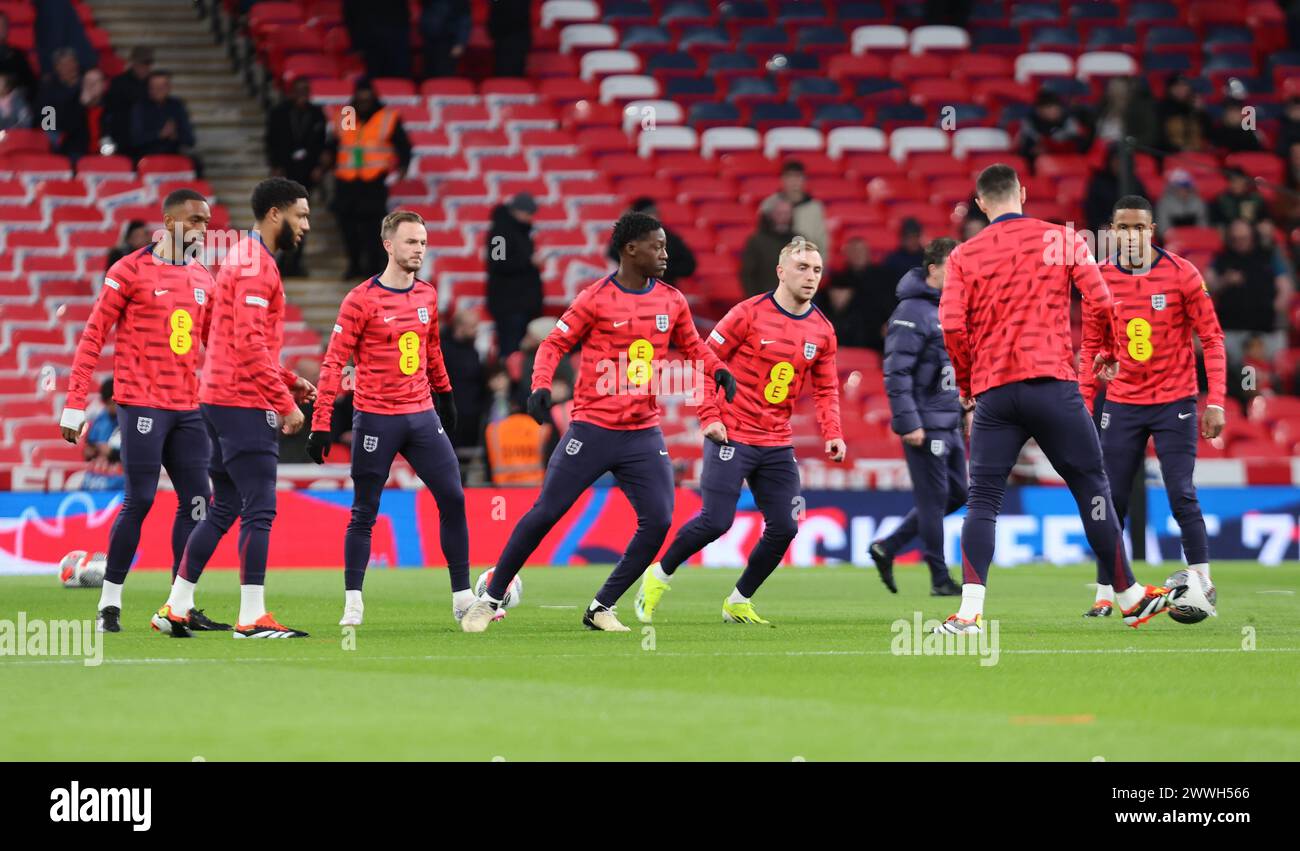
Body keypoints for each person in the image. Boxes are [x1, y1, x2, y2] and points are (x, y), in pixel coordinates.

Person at [458, 211, 737, 633]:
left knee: (660, 519)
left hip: (643, 431)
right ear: (630, 250)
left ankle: (602, 606)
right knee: (547, 511)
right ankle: (491, 597)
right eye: (657, 246)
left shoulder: (671, 300)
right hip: (592, 428)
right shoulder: (595, 297)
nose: (665, 254)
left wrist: (717, 369)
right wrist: (540, 386)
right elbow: (553, 344)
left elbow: (694, 347)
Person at [936, 163, 1176, 634]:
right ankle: (1127, 595)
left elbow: (951, 326)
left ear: (981, 203)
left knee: (983, 501)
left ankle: (969, 613)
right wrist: (1107, 350)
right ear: (1022, 193)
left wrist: (967, 385)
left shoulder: (964, 255)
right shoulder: (1063, 239)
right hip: (1054, 384)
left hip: (995, 394)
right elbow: (1104, 301)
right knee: (1093, 489)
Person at [634, 238, 845, 625]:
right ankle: (657, 575)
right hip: (731, 432)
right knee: (716, 521)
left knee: (785, 526)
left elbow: (827, 387)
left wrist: (833, 431)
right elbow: (704, 362)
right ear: (780, 271)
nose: (811, 276)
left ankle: (738, 600)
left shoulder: (823, 330)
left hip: (777, 440)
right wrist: (708, 416)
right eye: (802, 268)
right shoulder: (747, 314)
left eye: (816, 269)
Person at [57, 189, 222, 635]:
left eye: (207, 222)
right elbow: (93, 337)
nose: (203, 230)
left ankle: (178, 604)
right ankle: (109, 603)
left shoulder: (205, 279)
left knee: (198, 502)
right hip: (142, 402)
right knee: (142, 499)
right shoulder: (128, 270)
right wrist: (75, 403)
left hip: (187, 407)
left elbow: (223, 345)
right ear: (169, 222)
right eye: (195, 220)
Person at [162, 178, 317, 639]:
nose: (306, 225)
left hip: (218, 396)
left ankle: (176, 602)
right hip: (241, 401)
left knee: (224, 506)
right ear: (275, 214)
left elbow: (220, 332)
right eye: (301, 215)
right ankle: (252, 616)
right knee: (259, 509)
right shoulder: (255, 265)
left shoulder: (240, 258)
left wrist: (288, 378)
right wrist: (284, 402)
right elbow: (247, 342)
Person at [305, 210, 468, 626]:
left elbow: (432, 351)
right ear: (388, 245)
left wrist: (445, 394)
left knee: (453, 497)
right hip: (376, 417)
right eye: (411, 242)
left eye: (424, 242)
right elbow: (333, 362)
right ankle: (354, 601)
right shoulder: (361, 299)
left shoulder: (428, 295)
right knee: (365, 510)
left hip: (421, 414)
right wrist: (321, 421)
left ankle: (463, 597)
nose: (419, 250)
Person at [1078, 195, 1225, 619]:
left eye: (1139, 227)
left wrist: (1215, 400)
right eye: (1123, 227)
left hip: (1174, 401)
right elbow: (1091, 346)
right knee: (1111, 500)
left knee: (1181, 493)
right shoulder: (1099, 278)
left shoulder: (1182, 273)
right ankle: (1107, 593)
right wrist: (1086, 406)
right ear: (1112, 230)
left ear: (1151, 231)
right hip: (1122, 403)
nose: (1131, 235)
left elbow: (1212, 339)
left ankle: (1203, 582)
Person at [869, 238, 966, 597]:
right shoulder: (911, 312)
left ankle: (889, 546)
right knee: (933, 498)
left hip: (948, 419)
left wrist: (964, 408)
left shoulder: (949, 308)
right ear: (933, 270)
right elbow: (897, 372)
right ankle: (940, 579)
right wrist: (909, 422)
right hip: (925, 423)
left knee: (957, 494)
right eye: (953, 267)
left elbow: (951, 367)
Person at [328, 80, 411, 278]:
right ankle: (354, 265)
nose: (364, 102)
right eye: (360, 98)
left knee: (373, 228)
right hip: (346, 181)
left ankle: (373, 267)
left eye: (367, 98)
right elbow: (335, 142)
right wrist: (327, 161)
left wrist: (403, 166)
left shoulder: (387, 117)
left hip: (373, 181)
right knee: (347, 227)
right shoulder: (346, 115)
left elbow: (404, 145)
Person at [1210, 219, 1291, 364]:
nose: (1239, 242)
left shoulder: (1268, 256)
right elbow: (1207, 285)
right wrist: (1225, 281)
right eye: (1234, 239)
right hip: (1232, 328)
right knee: (1245, 375)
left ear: (1253, 237)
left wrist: (1277, 306)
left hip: (1266, 328)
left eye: (1243, 238)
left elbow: (1285, 286)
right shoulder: (1222, 258)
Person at [486, 192, 544, 356]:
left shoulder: (521, 232)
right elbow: (498, 264)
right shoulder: (499, 233)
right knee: (510, 349)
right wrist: (528, 262)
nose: (530, 218)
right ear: (517, 211)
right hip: (509, 304)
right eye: (528, 213)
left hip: (521, 303)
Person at [820, 236, 895, 350]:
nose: (858, 254)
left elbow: (893, 304)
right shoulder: (839, 279)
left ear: (868, 253)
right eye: (854, 251)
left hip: (878, 333)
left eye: (861, 250)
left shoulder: (884, 277)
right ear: (847, 255)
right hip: (849, 334)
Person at [605, 197, 697, 284]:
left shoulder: (670, 238)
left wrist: (660, 268)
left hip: (662, 291)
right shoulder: (627, 237)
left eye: (654, 214)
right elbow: (613, 255)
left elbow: (689, 266)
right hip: (632, 289)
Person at [763, 161, 829, 260]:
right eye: (790, 177)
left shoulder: (815, 208)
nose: (794, 182)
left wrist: (819, 267)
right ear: (783, 179)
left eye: (798, 177)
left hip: (806, 263)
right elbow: (761, 239)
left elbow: (822, 241)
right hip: (775, 263)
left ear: (804, 180)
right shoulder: (770, 204)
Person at [440, 307, 486, 449]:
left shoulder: (473, 351)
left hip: (470, 416)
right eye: (473, 327)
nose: (476, 330)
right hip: (448, 415)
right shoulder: (441, 350)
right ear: (460, 327)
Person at [130, 70, 196, 160]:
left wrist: (176, 135)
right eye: (153, 87)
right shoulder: (140, 107)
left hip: (173, 155)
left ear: (168, 88)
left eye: (161, 87)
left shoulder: (177, 106)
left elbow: (190, 139)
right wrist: (160, 134)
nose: (156, 91)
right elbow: (135, 140)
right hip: (147, 156)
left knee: (195, 163)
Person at [1083, 145, 1149, 234]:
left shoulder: (1134, 183)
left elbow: (1145, 207)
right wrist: (1100, 226)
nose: (1119, 164)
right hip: (1106, 229)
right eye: (1116, 160)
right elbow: (1091, 211)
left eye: (1123, 162)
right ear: (1109, 161)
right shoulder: (1098, 183)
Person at [104, 45, 153, 155]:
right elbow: (109, 111)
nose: (143, 67)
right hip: (123, 138)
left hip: (149, 140)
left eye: (147, 64)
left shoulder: (153, 83)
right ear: (133, 63)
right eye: (141, 63)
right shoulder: (118, 83)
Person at [1016, 89, 1089, 162]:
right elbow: (1025, 150)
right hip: (1038, 164)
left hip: (1066, 162)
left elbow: (1079, 146)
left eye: (1057, 107)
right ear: (1039, 110)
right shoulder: (1030, 123)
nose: (1054, 110)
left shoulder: (1069, 121)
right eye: (1049, 107)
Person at [740, 198, 793, 296]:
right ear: (771, 215)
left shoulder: (798, 241)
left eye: (787, 213)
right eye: (779, 213)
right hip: (763, 297)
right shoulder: (756, 241)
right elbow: (748, 274)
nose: (784, 217)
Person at [37, 47, 83, 158]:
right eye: (63, 64)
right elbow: (45, 115)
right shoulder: (49, 87)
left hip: (82, 133)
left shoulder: (85, 83)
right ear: (57, 67)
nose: (68, 67)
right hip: (59, 133)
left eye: (71, 62)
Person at [1156, 73, 1208, 153]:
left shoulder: (1195, 108)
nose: (1180, 89)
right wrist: (1179, 149)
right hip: (1171, 154)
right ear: (1170, 89)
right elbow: (1159, 137)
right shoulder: (1162, 109)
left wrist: (1201, 112)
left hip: (1198, 154)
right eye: (1176, 86)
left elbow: (1208, 134)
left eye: (1184, 86)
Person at [420, 0, 471, 78]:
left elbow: (464, 19)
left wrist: (460, 43)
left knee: (444, 76)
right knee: (428, 76)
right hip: (429, 40)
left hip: (448, 41)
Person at [487, 0, 531, 77]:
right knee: (502, 71)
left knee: (515, 72)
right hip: (501, 38)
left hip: (517, 36)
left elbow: (519, 14)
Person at [0, 12, 37, 101]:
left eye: (4, 25)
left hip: (18, 103)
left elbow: (31, 84)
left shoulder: (17, 55)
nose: (2, 29)